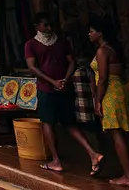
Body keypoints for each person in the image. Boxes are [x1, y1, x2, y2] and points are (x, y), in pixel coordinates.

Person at [25, 13, 103, 175]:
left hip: (55, 89)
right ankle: (91, 154)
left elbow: (71, 61)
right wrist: (55, 81)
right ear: (36, 27)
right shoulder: (31, 44)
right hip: (51, 87)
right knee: (65, 124)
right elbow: (32, 67)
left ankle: (58, 161)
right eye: (45, 25)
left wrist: (65, 79)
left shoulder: (61, 42)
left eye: (50, 25)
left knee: (51, 123)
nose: (49, 28)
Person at [89, 19, 129, 186]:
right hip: (119, 90)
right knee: (127, 134)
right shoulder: (114, 48)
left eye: (92, 31)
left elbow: (102, 78)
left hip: (109, 93)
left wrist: (97, 101)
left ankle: (128, 176)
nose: (89, 34)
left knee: (116, 135)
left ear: (100, 33)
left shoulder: (102, 51)